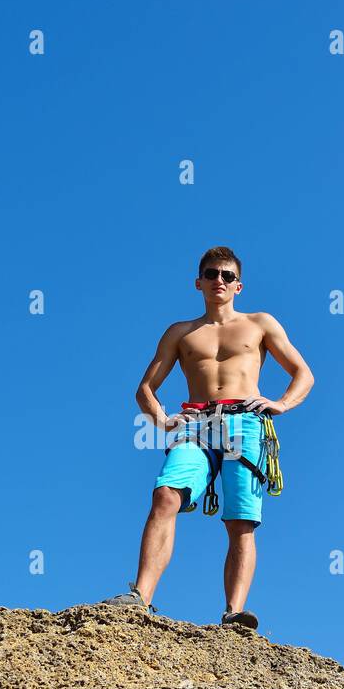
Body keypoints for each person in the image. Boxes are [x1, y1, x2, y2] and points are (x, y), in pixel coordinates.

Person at [103, 246, 314, 628]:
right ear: (198, 282)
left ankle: (233, 612)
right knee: (165, 495)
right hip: (197, 423)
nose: (220, 280)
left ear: (239, 286)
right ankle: (140, 597)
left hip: (245, 423)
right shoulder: (181, 332)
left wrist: (282, 403)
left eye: (228, 276)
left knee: (240, 520)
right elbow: (145, 388)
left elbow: (304, 373)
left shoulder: (259, 323)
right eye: (212, 274)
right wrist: (163, 419)